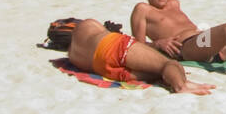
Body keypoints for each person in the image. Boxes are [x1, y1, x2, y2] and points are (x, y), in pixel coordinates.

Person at [52, 18, 215, 95]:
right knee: (168, 64)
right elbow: (108, 33)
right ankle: (182, 86)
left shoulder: (72, 56)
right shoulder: (85, 25)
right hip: (113, 46)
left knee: (158, 74)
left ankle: (181, 82)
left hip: (103, 67)